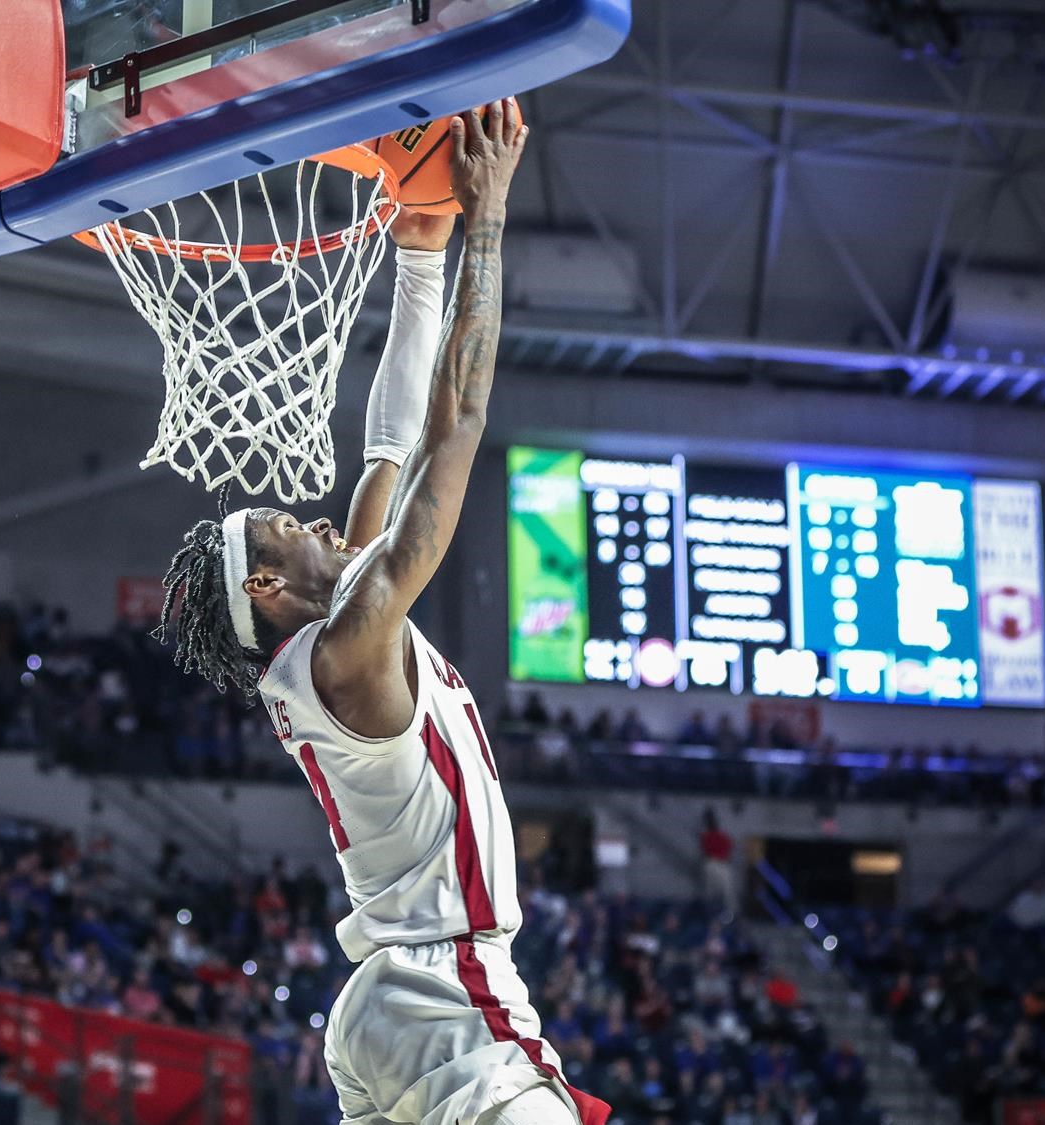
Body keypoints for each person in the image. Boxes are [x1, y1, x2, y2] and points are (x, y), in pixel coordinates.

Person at [153, 102, 599, 1125]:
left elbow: (395, 442)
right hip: (442, 998)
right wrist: (483, 214)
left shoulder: (337, 630)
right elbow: (466, 422)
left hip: (387, 1008)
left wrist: (419, 252)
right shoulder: (349, 646)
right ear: (265, 587)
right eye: (283, 526)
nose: (311, 519)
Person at [699, 810, 737, 922]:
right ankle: (719, 915)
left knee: (718, 892)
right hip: (718, 864)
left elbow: (704, 852)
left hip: (712, 863)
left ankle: (724, 915)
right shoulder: (711, 836)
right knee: (721, 892)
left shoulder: (710, 836)